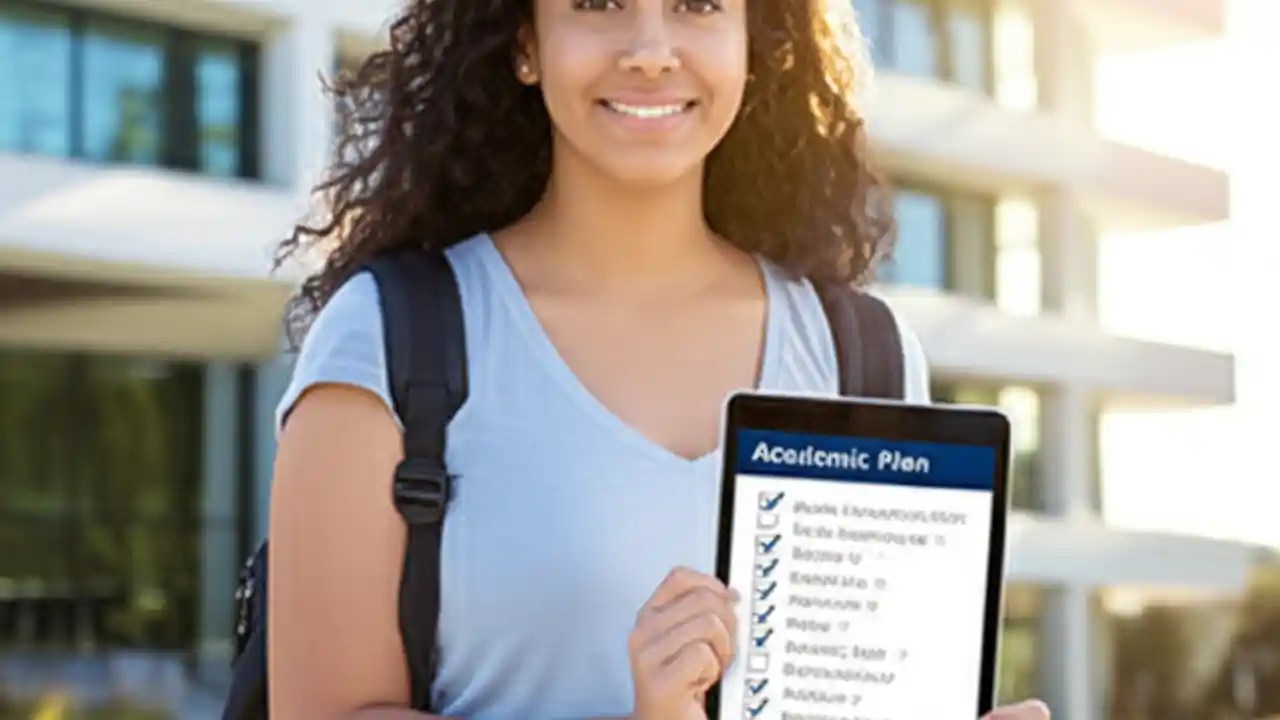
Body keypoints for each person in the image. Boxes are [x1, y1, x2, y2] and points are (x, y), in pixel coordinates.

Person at [265, 0, 1052, 718]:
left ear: (756, 43)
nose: (650, 50)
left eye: (698, 5)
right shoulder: (390, 335)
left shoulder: (864, 357)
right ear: (524, 43)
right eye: (598, 4)